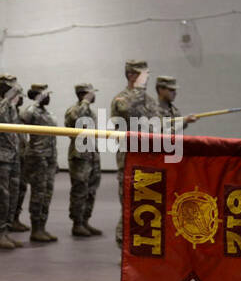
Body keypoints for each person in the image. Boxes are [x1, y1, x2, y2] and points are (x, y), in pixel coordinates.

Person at [110, 60, 155, 246]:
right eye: (142, 74)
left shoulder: (149, 100)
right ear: (131, 76)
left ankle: (142, 244)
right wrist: (139, 92)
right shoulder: (122, 99)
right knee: (129, 203)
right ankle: (125, 247)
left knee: (147, 203)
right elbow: (130, 113)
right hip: (129, 157)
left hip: (148, 158)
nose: (147, 78)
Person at [0, 74, 25, 250]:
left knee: (13, 195)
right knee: (0, 196)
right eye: (10, 87)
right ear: (2, 87)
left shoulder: (11, 106)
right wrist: (7, 100)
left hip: (13, 157)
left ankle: (6, 231)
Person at [18, 83, 59, 243]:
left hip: (49, 157)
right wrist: (36, 102)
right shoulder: (31, 110)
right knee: (38, 193)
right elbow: (23, 117)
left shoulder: (47, 113)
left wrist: (55, 161)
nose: (48, 97)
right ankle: (36, 229)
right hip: (37, 157)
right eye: (45, 94)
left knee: (47, 193)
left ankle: (42, 226)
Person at [64, 83, 102, 237]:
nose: (94, 96)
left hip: (92, 155)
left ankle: (85, 220)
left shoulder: (90, 112)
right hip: (79, 157)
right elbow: (77, 120)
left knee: (91, 190)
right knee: (80, 190)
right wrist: (85, 102)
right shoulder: (74, 110)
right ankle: (77, 223)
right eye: (92, 94)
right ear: (84, 94)